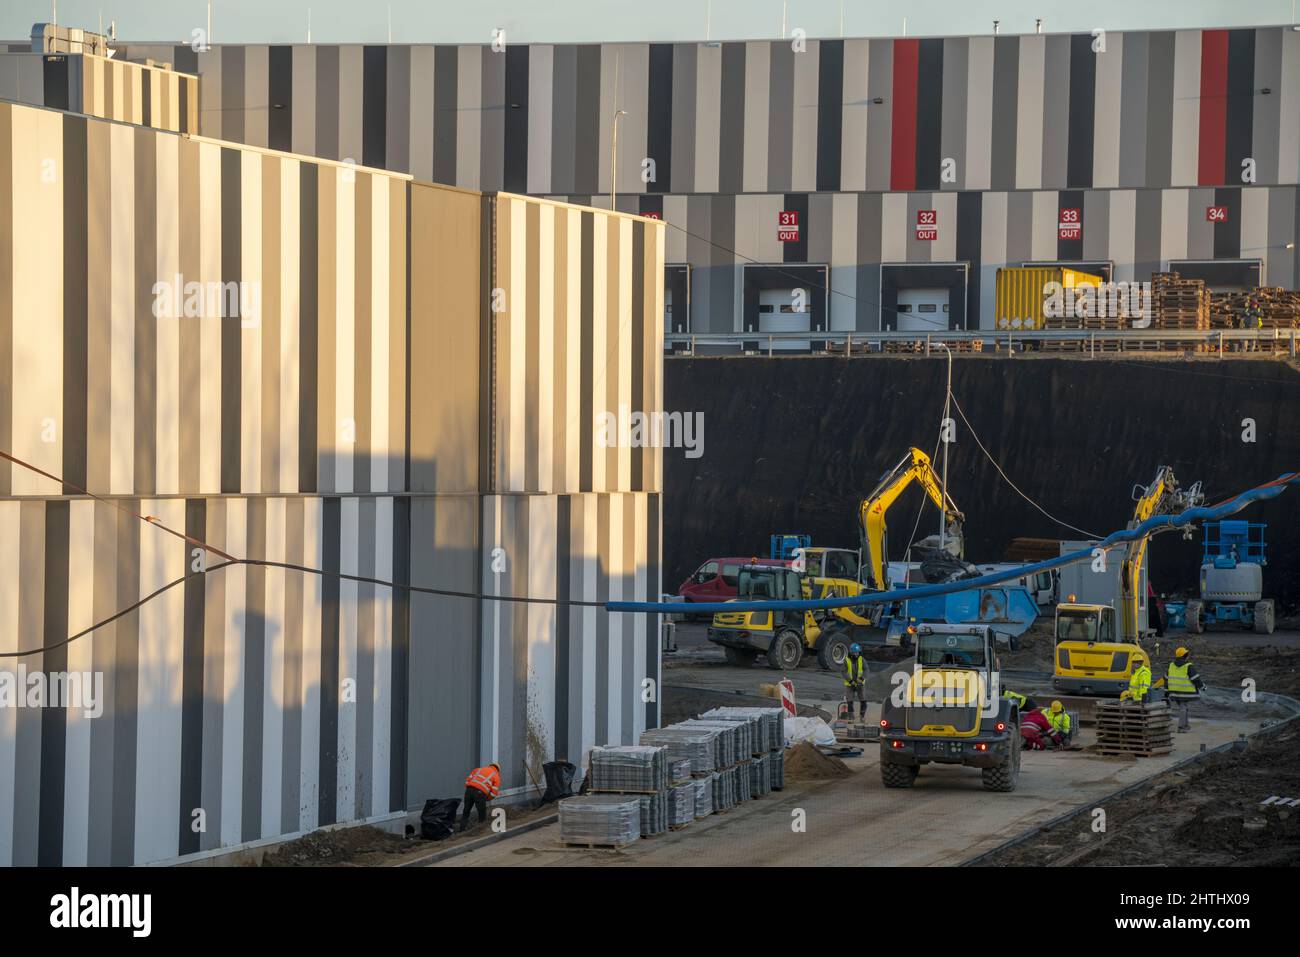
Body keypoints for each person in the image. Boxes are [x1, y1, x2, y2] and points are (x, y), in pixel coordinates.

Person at [1164, 646, 1205, 732]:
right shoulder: (1188, 666)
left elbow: (1166, 678)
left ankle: (1185, 725)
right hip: (1185, 692)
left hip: (1174, 692)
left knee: (1184, 707)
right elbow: (1195, 679)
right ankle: (1181, 727)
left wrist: (1166, 691)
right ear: (1185, 655)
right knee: (1183, 708)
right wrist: (1202, 687)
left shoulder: (1171, 665)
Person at [460, 762, 501, 831]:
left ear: (490, 766)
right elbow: (493, 793)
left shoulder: (478, 769)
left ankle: (462, 829)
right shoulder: (496, 776)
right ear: (498, 770)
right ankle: (481, 831)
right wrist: (486, 798)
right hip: (480, 793)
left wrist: (470, 789)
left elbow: (467, 782)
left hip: (469, 790)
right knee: (482, 814)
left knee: (466, 811)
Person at [842, 643, 868, 721]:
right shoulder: (846, 660)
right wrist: (850, 681)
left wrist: (862, 678)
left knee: (863, 700)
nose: (857, 654)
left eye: (857, 652)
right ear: (851, 653)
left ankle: (862, 716)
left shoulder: (861, 659)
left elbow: (866, 669)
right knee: (849, 700)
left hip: (860, 683)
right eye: (855, 653)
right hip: (850, 684)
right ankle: (851, 716)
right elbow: (844, 671)